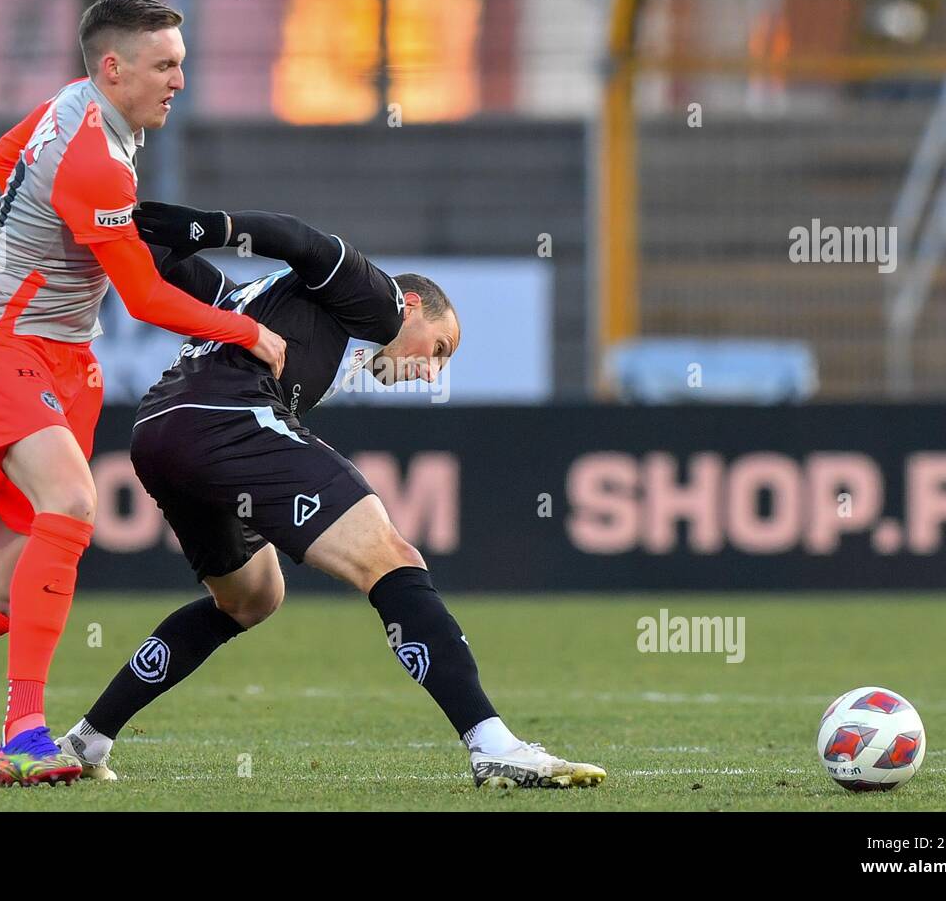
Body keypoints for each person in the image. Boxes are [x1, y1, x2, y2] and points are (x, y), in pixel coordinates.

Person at [0, 0, 286, 788]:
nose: (182, 79)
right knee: (72, 502)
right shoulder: (95, 158)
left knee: (3, 588)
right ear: (114, 67)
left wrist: (41, 235)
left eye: (182, 62)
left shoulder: (74, 113)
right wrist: (246, 330)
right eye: (166, 65)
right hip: (2, 346)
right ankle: (23, 736)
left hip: (65, 357)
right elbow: (143, 300)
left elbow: (5, 160)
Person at [56, 202, 606, 790]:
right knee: (394, 560)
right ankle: (492, 744)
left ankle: (87, 740)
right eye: (439, 349)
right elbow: (305, 240)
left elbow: (170, 270)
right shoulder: (383, 303)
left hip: (159, 433)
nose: (431, 371)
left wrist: (120, 230)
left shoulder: (255, 297)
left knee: (251, 599)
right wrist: (207, 226)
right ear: (416, 306)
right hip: (225, 419)